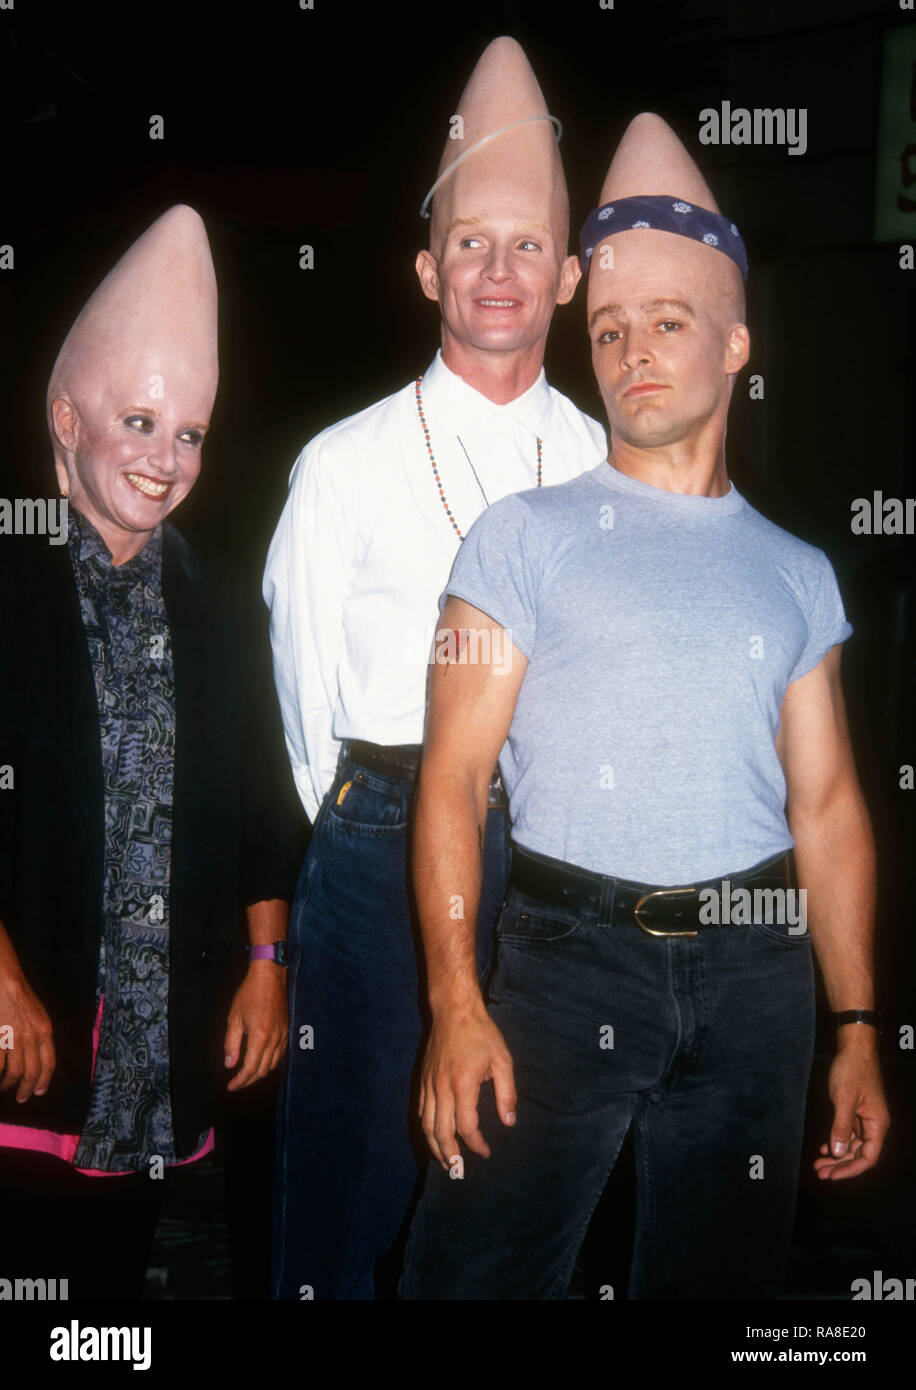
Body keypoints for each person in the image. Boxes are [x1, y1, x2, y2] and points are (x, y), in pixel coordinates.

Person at [400, 114, 890, 1300]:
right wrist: (455, 1000)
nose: (631, 352)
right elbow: (452, 781)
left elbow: (824, 806)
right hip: (565, 972)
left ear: (734, 344)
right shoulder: (516, 538)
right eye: (609, 329)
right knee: (468, 1281)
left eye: (667, 323)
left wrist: (859, 1023)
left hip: (756, 975)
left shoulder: (795, 570)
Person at [264, 36, 606, 1301]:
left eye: (526, 245)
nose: (498, 269)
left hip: (562, 864)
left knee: (503, 1193)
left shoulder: (603, 467)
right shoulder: (342, 462)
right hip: (375, 845)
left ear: (570, 276)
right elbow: (298, 700)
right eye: (471, 243)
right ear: (426, 268)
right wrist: (370, 832)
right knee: (347, 1187)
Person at [0, 206, 301, 1299]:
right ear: (65, 419)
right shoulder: (11, 579)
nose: (165, 460)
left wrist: (267, 969)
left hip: (154, 1045)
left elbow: (266, 806)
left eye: (188, 434)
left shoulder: (216, 603)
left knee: (112, 1283)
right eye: (137, 420)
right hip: (24, 1022)